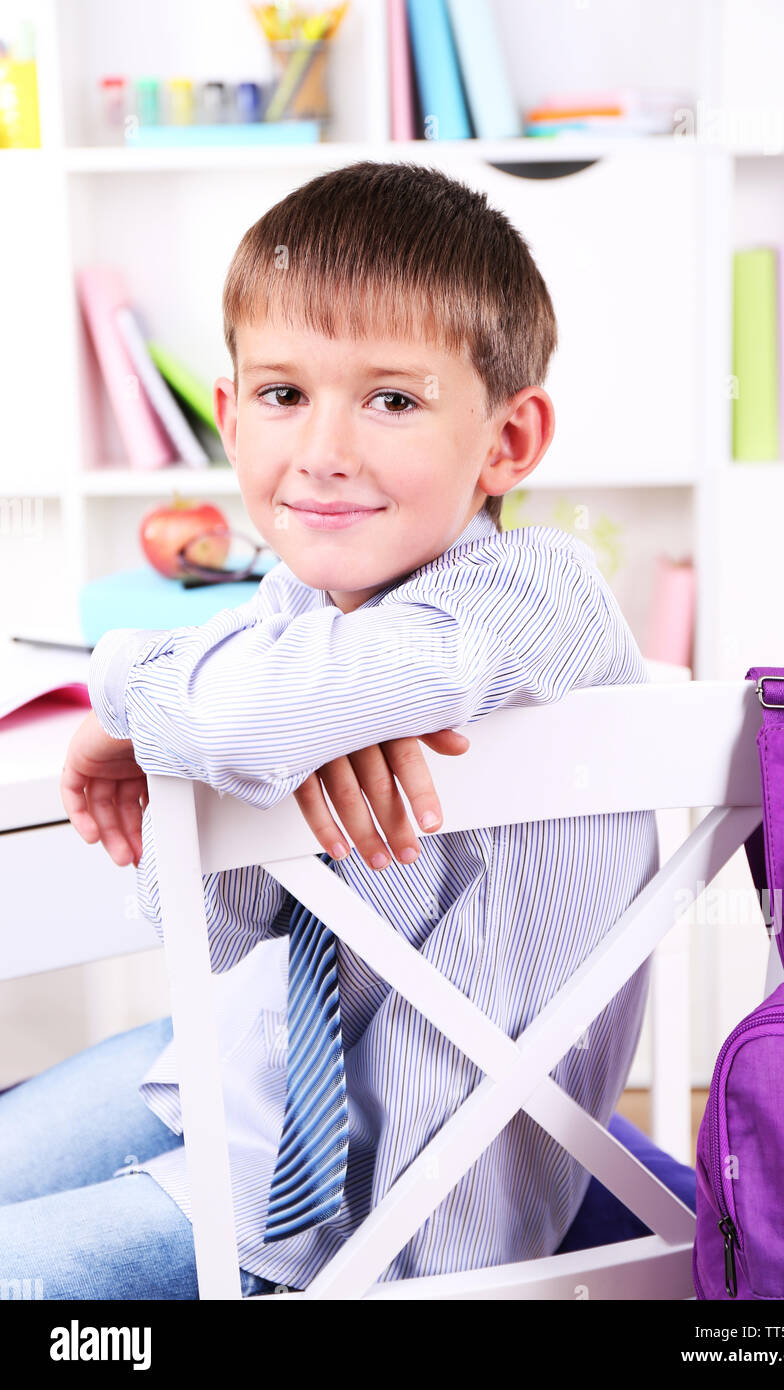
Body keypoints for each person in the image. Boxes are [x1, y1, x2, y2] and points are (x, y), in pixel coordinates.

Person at [2, 161, 659, 1298]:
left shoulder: (537, 593)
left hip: (368, 1210)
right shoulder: (297, 616)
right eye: (282, 394)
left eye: (392, 399)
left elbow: (240, 712)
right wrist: (237, 739)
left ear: (508, 440)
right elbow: (200, 923)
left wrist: (134, 705)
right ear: (228, 412)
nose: (323, 450)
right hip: (221, 1075)